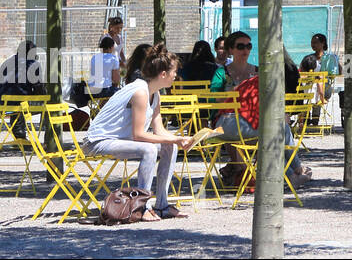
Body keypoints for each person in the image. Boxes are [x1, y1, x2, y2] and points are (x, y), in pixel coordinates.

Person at [82, 43, 194, 220]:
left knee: (171, 147)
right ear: (163, 74)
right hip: (98, 141)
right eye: (174, 72)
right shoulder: (140, 92)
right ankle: (141, 207)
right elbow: (139, 135)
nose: (176, 76)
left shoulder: (154, 93)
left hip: (119, 139)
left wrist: (179, 139)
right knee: (148, 149)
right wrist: (174, 139)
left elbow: (159, 130)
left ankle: (162, 205)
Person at [208, 32, 311, 187]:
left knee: (277, 129)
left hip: (255, 119)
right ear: (231, 50)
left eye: (248, 46)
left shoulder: (258, 71)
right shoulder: (222, 72)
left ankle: (295, 170)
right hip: (228, 120)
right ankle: (293, 174)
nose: (245, 50)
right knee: (272, 132)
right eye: (240, 46)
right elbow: (215, 99)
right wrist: (238, 90)